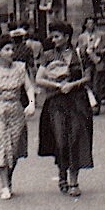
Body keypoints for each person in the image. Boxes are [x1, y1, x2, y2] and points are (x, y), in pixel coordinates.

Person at [36, 20, 95, 196]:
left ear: (67, 37)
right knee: (61, 140)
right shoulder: (48, 56)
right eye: (52, 36)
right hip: (56, 103)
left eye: (57, 36)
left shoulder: (80, 53)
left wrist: (73, 84)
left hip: (77, 101)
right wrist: (56, 85)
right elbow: (39, 79)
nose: (53, 40)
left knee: (76, 138)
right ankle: (62, 173)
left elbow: (88, 77)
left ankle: (74, 181)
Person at [0, 35, 37, 199]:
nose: (11, 52)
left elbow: (28, 87)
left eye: (12, 49)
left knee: (13, 147)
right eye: (6, 49)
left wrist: (31, 103)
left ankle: (8, 178)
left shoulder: (20, 68)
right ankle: (4, 185)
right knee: (0, 146)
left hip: (16, 110)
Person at [75, 17, 105, 106]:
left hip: (98, 60)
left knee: (97, 81)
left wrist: (100, 51)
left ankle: (97, 100)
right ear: (85, 25)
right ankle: (90, 100)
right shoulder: (82, 37)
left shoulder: (101, 35)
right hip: (87, 62)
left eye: (92, 23)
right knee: (88, 81)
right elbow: (78, 49)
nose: (90, 25)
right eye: (89, 23)